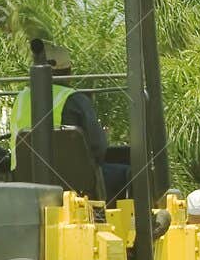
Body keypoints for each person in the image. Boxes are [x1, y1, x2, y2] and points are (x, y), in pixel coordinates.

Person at [10, 40, 129, 199]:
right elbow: (99, 148)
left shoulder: (20, 98)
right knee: (130, 173)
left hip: (23, 181)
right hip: (77, 185)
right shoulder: (76, 100)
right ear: (69, 72)